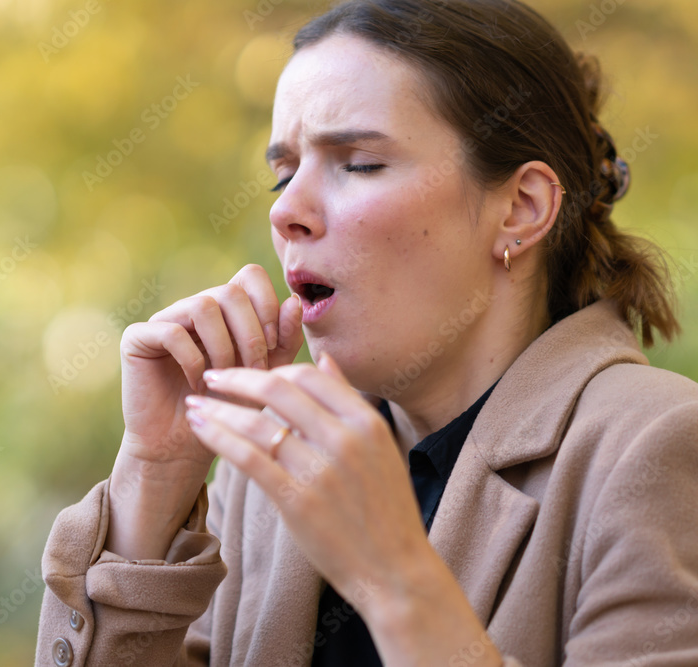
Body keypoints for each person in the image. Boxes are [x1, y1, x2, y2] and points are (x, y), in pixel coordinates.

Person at [35, 0, 698, 664]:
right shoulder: (271, 466)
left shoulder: (660, 447)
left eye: (358, 163)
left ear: (521, 209)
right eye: (283, 173)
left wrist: (395, 577)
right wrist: (154, 476)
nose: (286, 210)